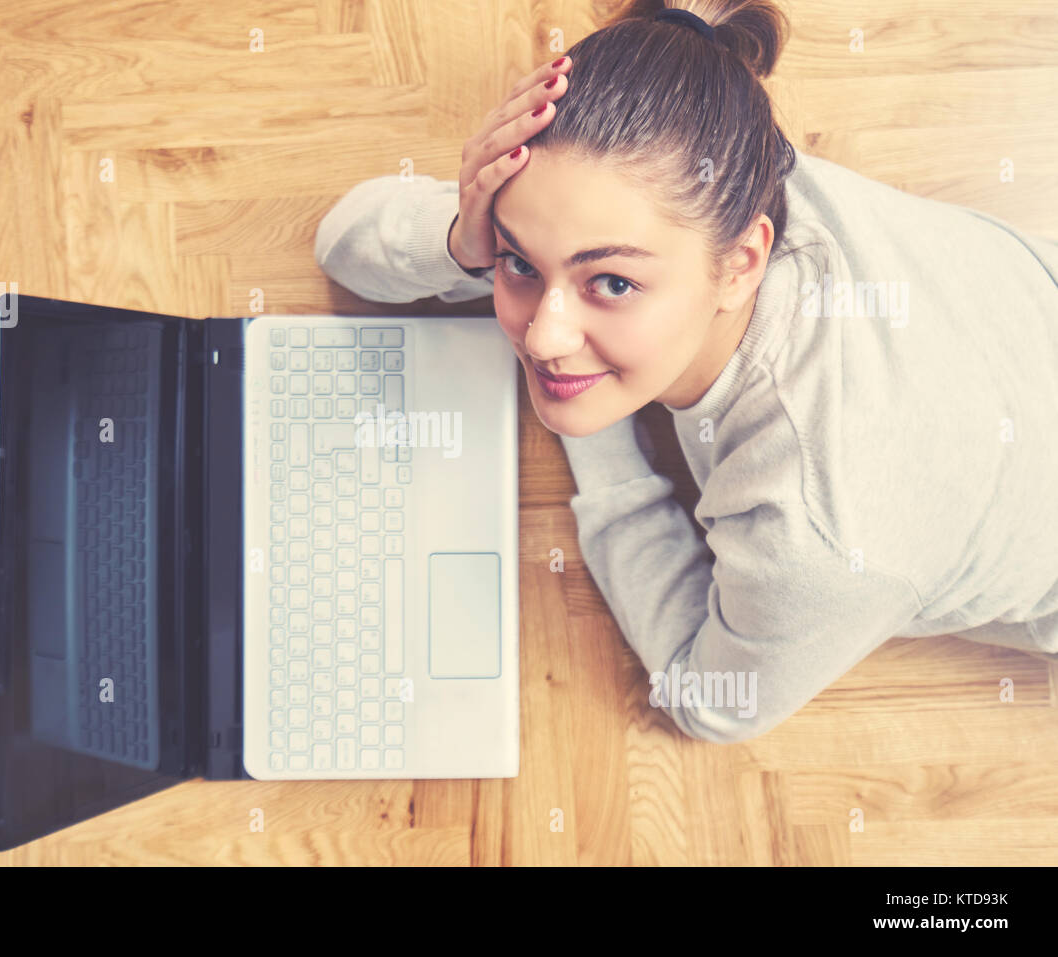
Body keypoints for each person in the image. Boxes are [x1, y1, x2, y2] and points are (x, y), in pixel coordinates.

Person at [312, 0, 1058, 742]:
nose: (541, 337)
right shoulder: (708, 174)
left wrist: (599, 441)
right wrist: (460, 239)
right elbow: (341, 238)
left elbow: (712, 704)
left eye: (609, 282)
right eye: (518, 261)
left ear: (742, 264)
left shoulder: (819, 532)